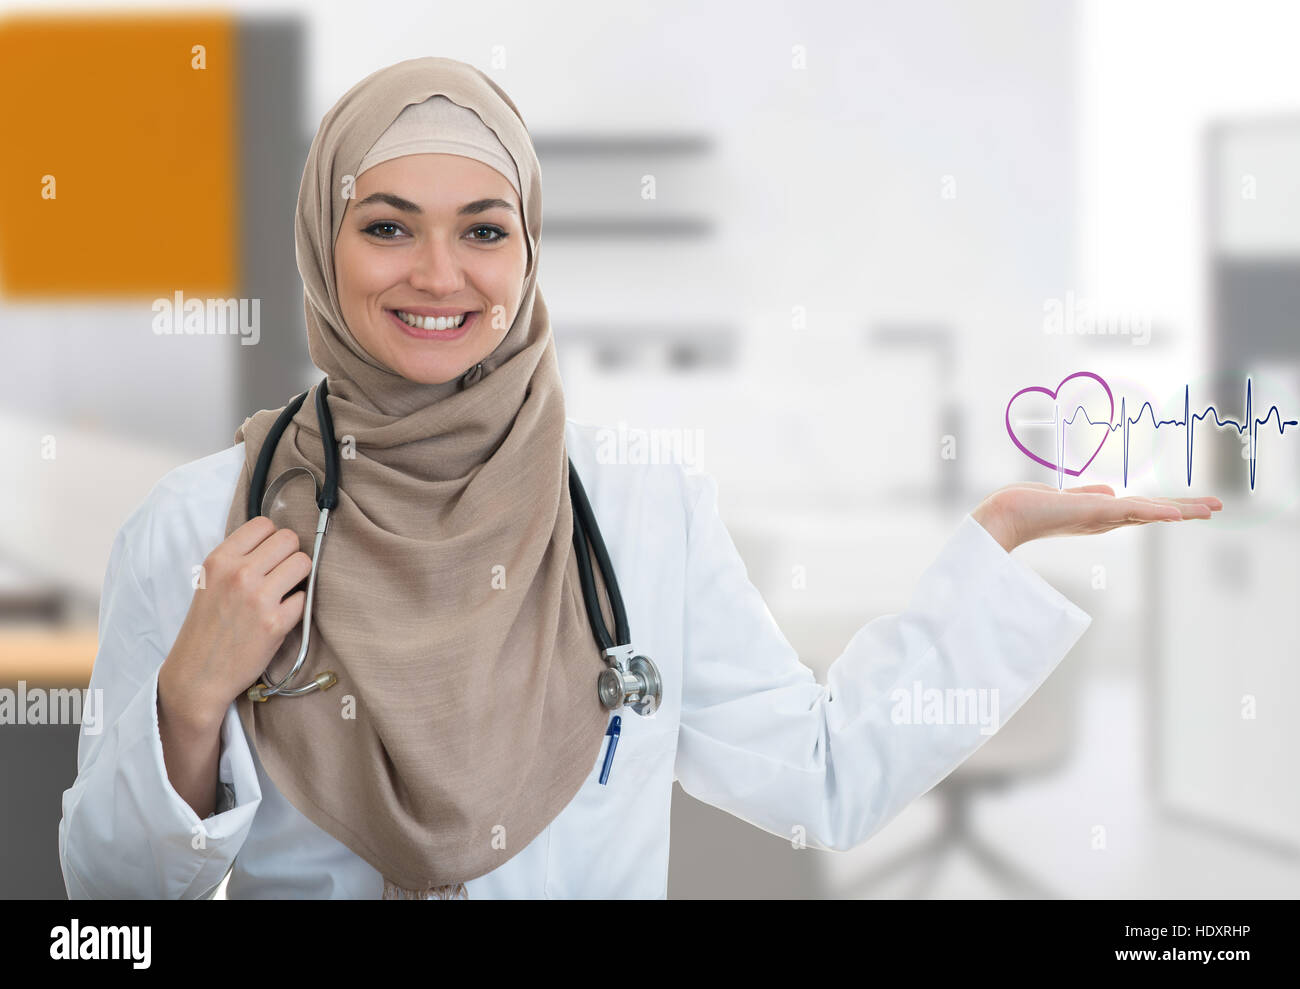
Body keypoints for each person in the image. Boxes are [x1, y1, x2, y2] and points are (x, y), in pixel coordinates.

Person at [57, 56, 1221, 899]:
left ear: (528, 251)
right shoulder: (197, 526)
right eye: (388, 227)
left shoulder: (638, 507)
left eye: (484, 229)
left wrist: (995, 544)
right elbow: (109, 896)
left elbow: (819, 778)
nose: (439, 274)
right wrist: (188, 704)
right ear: (324, 241)